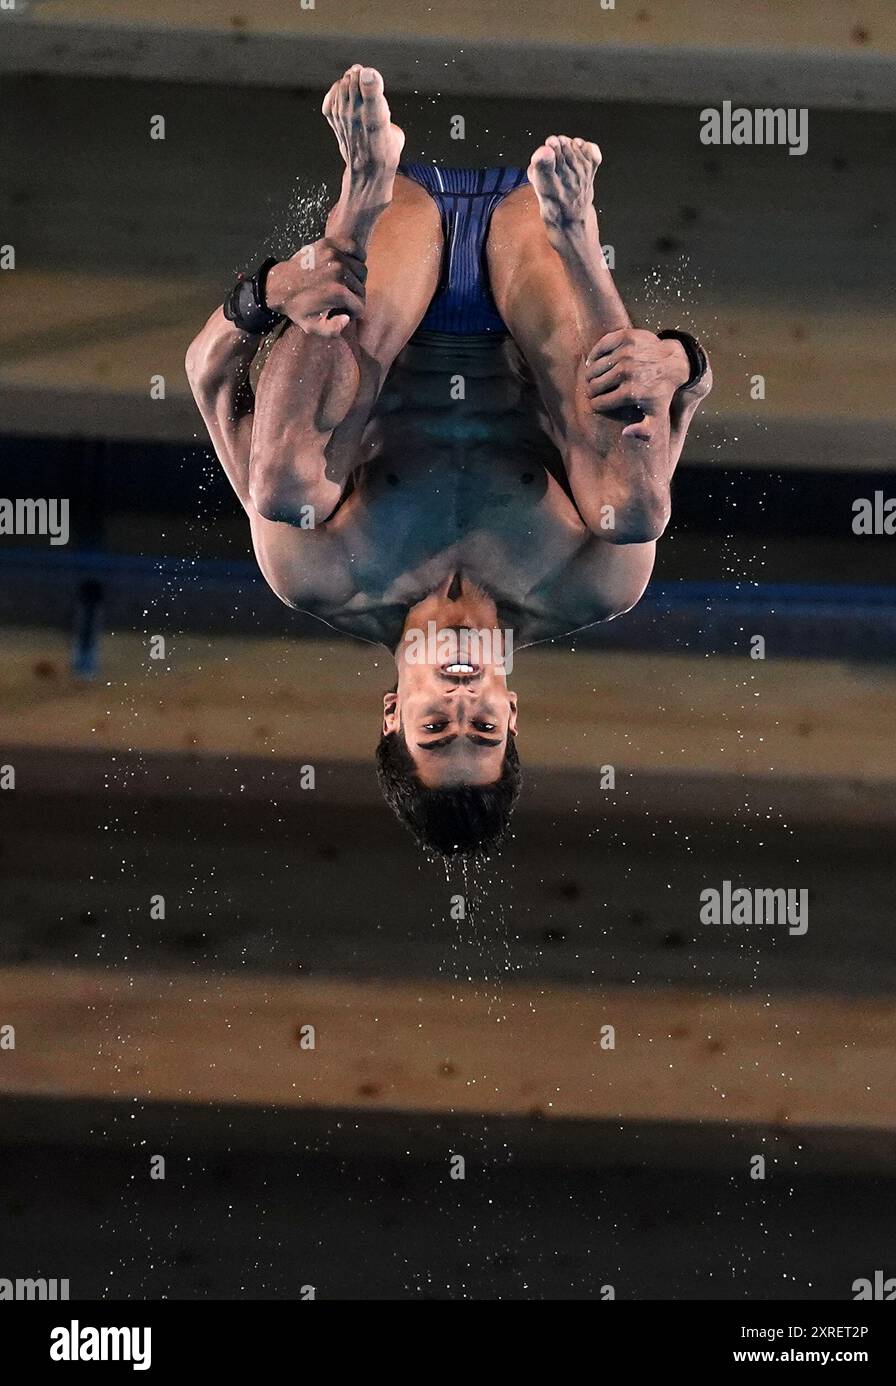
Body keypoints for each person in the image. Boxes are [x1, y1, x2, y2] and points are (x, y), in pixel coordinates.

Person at [185, 65, 713, 857]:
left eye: (437, 726)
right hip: (534, 282)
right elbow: (678, 404)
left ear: (394, 710)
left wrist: (273, 290)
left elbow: (207, 374)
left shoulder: (320, 577)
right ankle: (581, 239)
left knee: (282, 490)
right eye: (484, 726)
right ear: (512, 713)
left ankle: (354, 206)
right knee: (633, 512)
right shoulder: (592, 587)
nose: (461, 701)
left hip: (386, 277)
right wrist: (678, 363)